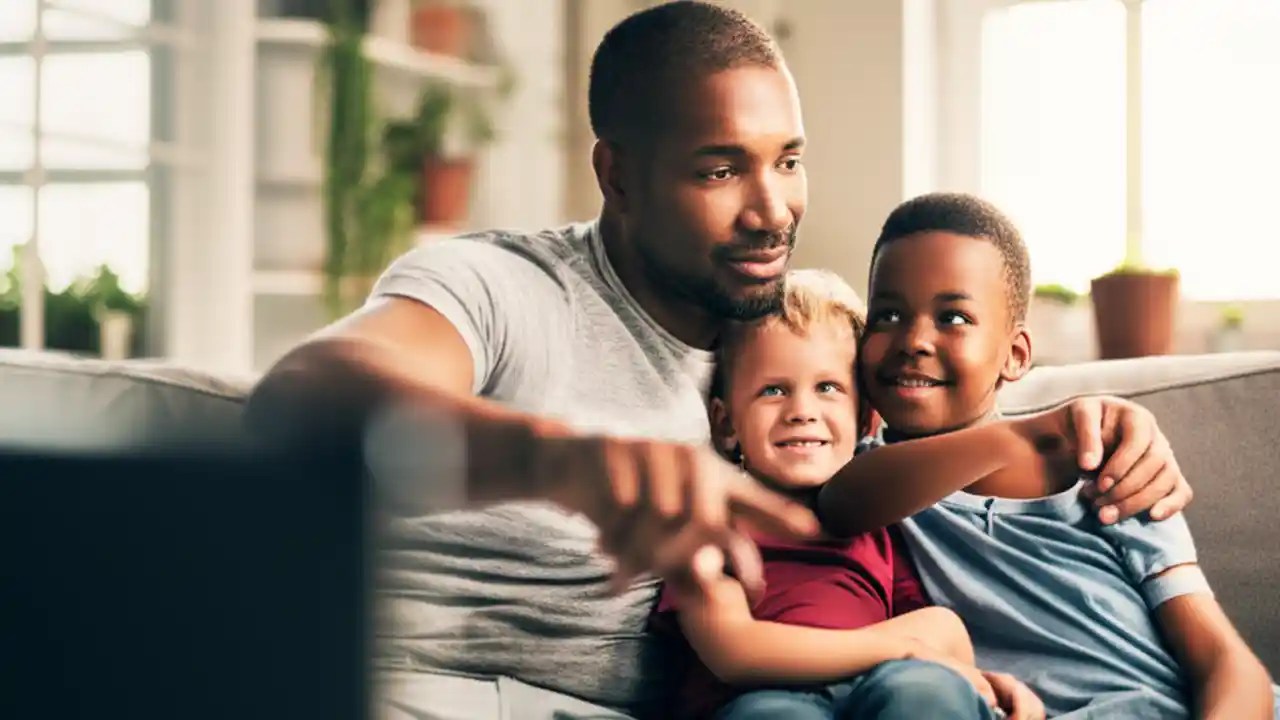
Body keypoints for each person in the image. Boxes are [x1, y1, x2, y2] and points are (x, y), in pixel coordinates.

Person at [246, 4, 1193, 718]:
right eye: (719, 169)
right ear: (616, 174)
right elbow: (303, 397)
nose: (771, 208)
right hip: (414, 688)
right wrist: (570, 459)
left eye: (788, 160)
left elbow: (962, 424)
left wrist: (1113, 424)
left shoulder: (814, 351)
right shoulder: (504, 286)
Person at [824, 192, 1277, 718]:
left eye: (952, 317)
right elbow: (844, 501)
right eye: (889, 314)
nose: (914, 340)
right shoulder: (857, 476)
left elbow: (1227, 663)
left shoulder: (1106, 470)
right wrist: (1028, 435)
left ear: (1015, 355)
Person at [653, 269, 1048, 720]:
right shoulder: (708, 521)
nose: (802, 411)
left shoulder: (880, 526)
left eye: (828, 388)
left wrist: (988, 686)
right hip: (761, 698)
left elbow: (938, 634)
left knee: (926, 691)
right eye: (774, 390)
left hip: (880, 690)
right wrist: (896, 649)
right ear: (726, 424)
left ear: (866, 421)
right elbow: (733, 649)